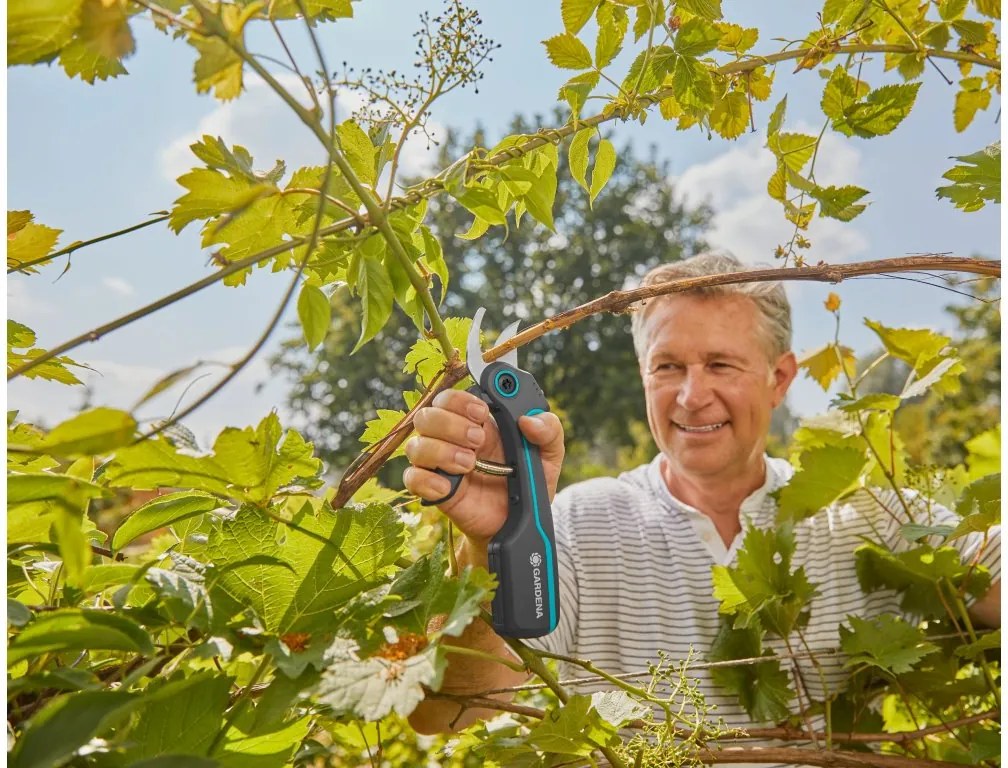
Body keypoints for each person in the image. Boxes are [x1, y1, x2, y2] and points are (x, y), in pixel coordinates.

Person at [403, 252, 1001, 736]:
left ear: (780, 378)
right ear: (642, 376)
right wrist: (492, 549)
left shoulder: (871, 513)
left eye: (720, 364)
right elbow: (444, 712)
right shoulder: (577, 524)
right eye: (667, 367)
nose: (691, 396)